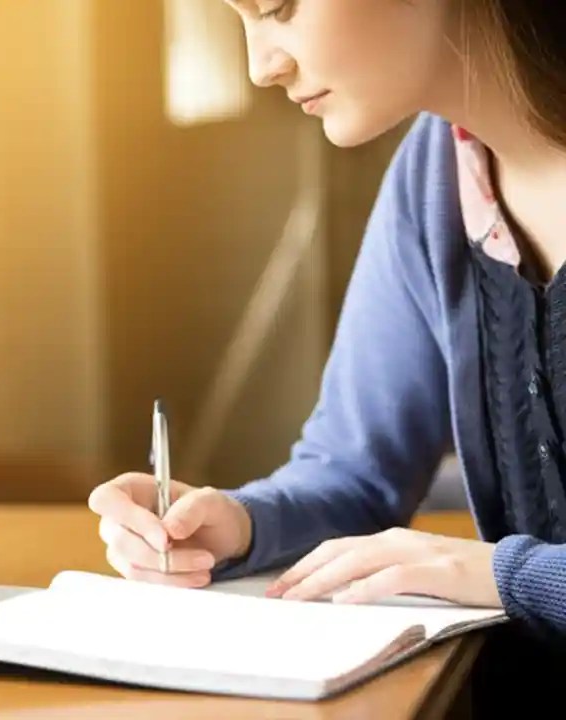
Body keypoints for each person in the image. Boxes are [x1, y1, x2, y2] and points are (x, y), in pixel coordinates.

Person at [86, 0, 566, 712]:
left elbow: (499, 572)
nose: (260, 67)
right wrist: (237, 526)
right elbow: (355, 477)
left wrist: (509, 575)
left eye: (277, 7)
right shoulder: (432, 179)